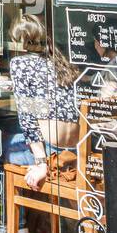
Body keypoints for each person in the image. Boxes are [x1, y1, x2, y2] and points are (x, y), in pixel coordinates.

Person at [8, 14, 79, 190]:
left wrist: (41, 163)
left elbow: (27, 115)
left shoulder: (19, 63)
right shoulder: (58, 60)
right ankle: (34, 218)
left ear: (21, 40)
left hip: (52, 151)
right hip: (76, 149)